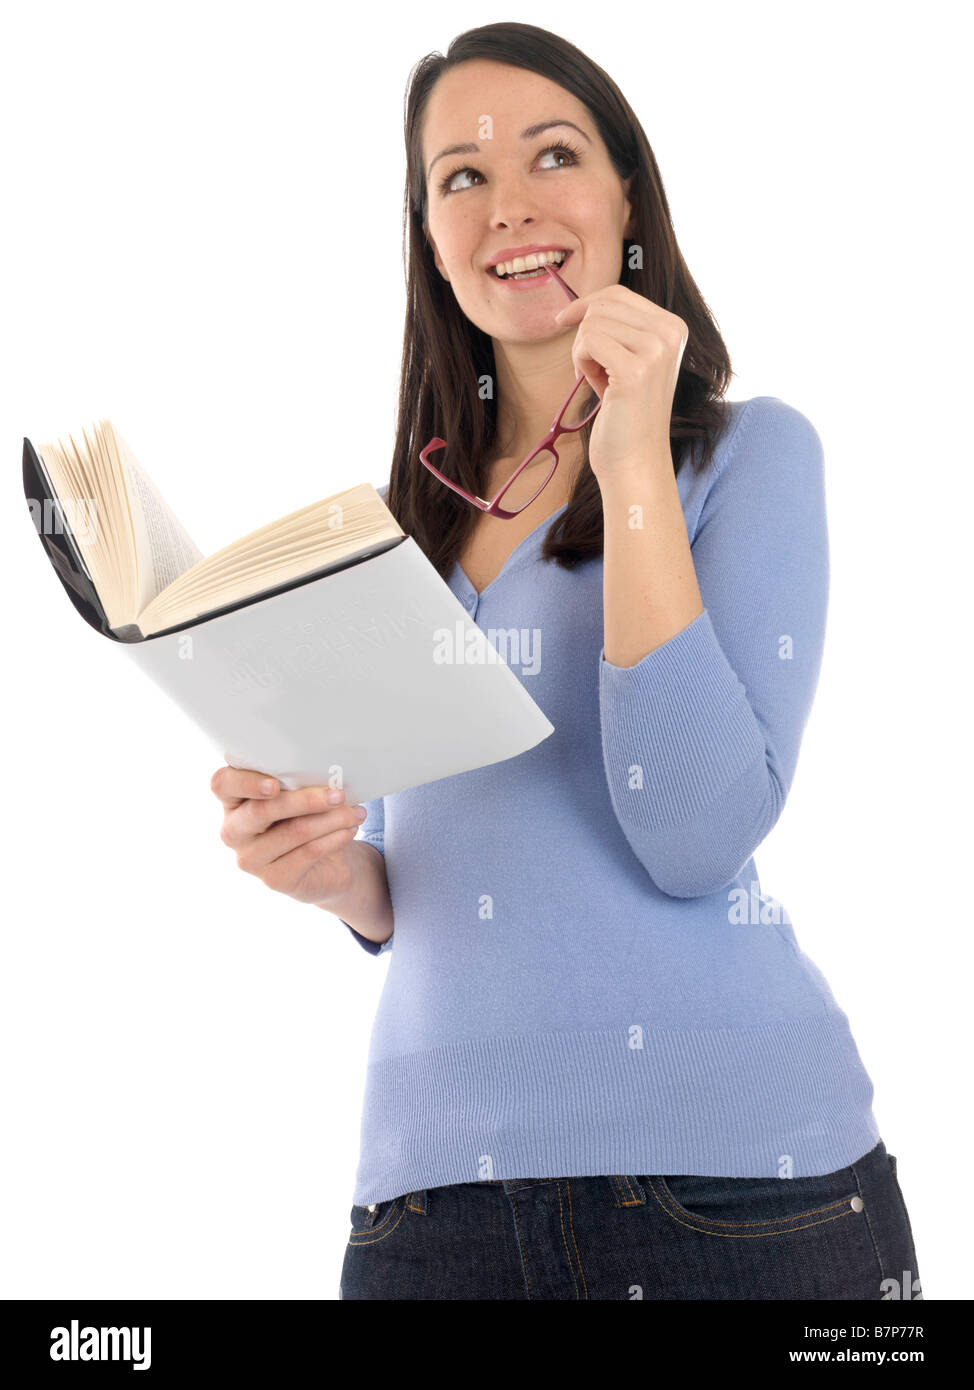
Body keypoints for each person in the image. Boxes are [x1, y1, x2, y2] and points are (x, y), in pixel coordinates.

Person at [210, 22, 922, 1301]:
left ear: (627, 199)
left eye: (552, 154)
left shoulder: (750, 458)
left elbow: (695, 835)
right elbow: (412, 877)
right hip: (426, 1207)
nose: (509, 207)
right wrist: (334, 875)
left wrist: (630, 459)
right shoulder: (396, 527)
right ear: (427, 236)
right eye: (460, 177)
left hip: (733, 1200)